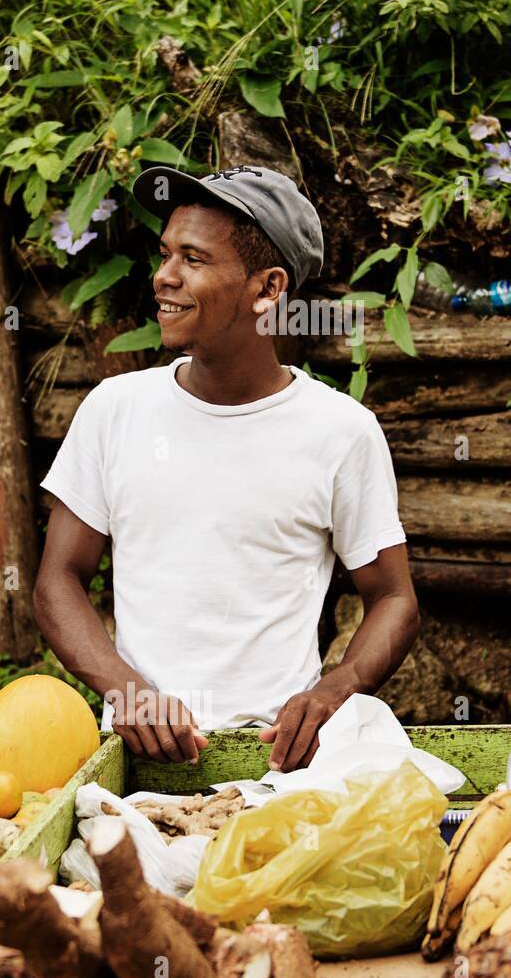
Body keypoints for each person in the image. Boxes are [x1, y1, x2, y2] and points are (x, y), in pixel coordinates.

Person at [34, 165, 419, 771]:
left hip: (279, 770)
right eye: (165, 254)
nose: (164, 276)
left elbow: (394, 598)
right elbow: (57, 581)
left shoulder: (339, 432)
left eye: (193, 258)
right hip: (136, 762)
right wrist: (126, 690)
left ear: (267, 289)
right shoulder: (116, 411)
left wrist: (334, 690)